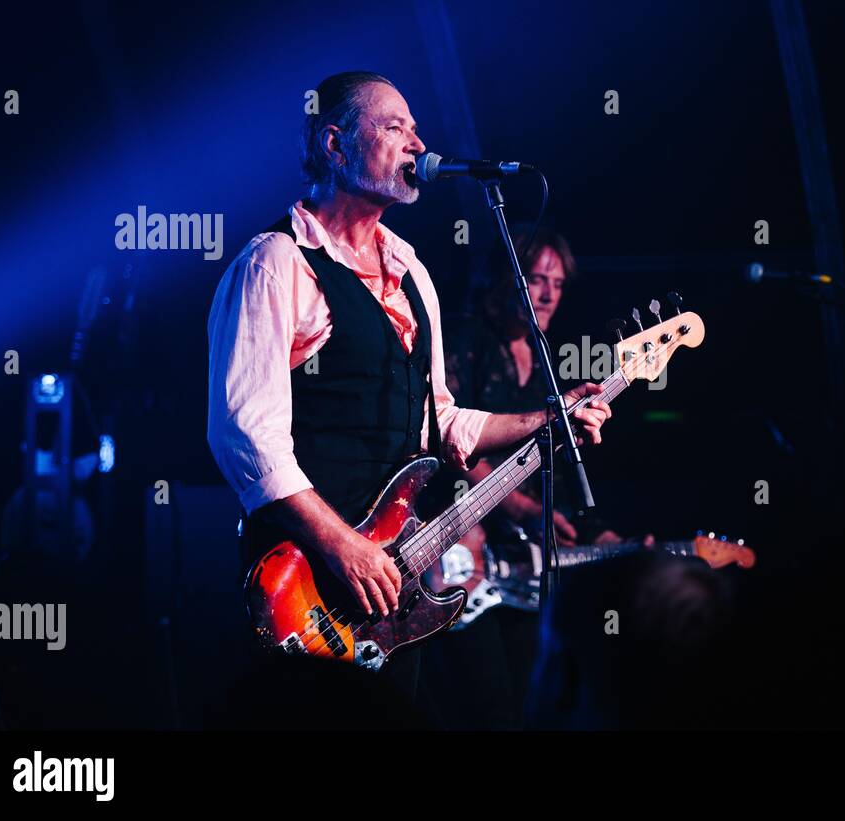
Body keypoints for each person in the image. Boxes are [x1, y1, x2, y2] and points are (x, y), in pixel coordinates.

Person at [205, 72, 611, 705]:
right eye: (394, 127)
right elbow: (245, 436)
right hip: (307, 584)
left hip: (390, 593)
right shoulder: (275, 262)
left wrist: (548, 418)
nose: (417, 143)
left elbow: (440, 419)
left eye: (417, 129)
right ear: (335, 144)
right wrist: (341, 546)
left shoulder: (412, 270)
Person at [422, 225, 645, 728]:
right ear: (506, 278)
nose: (545, 294)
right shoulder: (465, 339)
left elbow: (559, 470)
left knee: (532, 703)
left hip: (526, 570)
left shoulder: (548, 359)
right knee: (485, 707)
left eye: (558, 283)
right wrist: (524, 508)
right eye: (535, 278)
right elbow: (450, 442)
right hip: (462, 555)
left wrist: (599, 536)